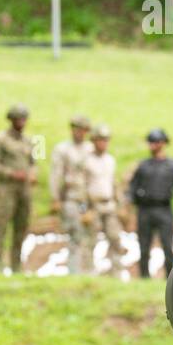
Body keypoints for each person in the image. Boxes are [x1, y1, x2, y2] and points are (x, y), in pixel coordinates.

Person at [128, 128, 173, 278]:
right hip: (145, 209)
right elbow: (132, 188)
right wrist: (129, 208)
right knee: (143, 247)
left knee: (167, 247)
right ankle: (144, 278)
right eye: (150, 142)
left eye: (155, 142)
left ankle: (171, 279)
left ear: (162, 143)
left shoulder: (172, 166)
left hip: (164, 209)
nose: (151, 145)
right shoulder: (143, 165)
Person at [0, 104, 37, 274]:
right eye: (18, 119)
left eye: (24, 119)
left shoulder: (28, 141)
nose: (22, 122)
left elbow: (33, 163)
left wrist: (32, 174)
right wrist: (11, 174)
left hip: (24, 190)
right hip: (4, 190)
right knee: (0, 227)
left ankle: (16, 266)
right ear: (11, 120)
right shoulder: (0, 140)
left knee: (21, 227)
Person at [50, 114, 93, 274]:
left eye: (83, 130)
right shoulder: (63, 149)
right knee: (75, 234)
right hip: (71, 197)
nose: (79, 133)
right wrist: (55, 198)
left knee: (90, 236)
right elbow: (56, 175)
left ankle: (89, 271)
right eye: (77, 129)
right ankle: (74, 272)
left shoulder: (90, 148)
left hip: (87, 200)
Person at [82, 125, 123, 276]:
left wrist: (120, 203)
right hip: (93, 205)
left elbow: (113, 183)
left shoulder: (110, 160)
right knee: (90, 239)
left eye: (106, 140)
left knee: (114, 237)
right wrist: (83, 209)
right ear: (94, 141)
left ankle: (116, 270)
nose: (103, 143)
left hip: (109, 204)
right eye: (100, 140)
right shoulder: (87, 161)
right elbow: (82, 187)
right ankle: (87, 271)